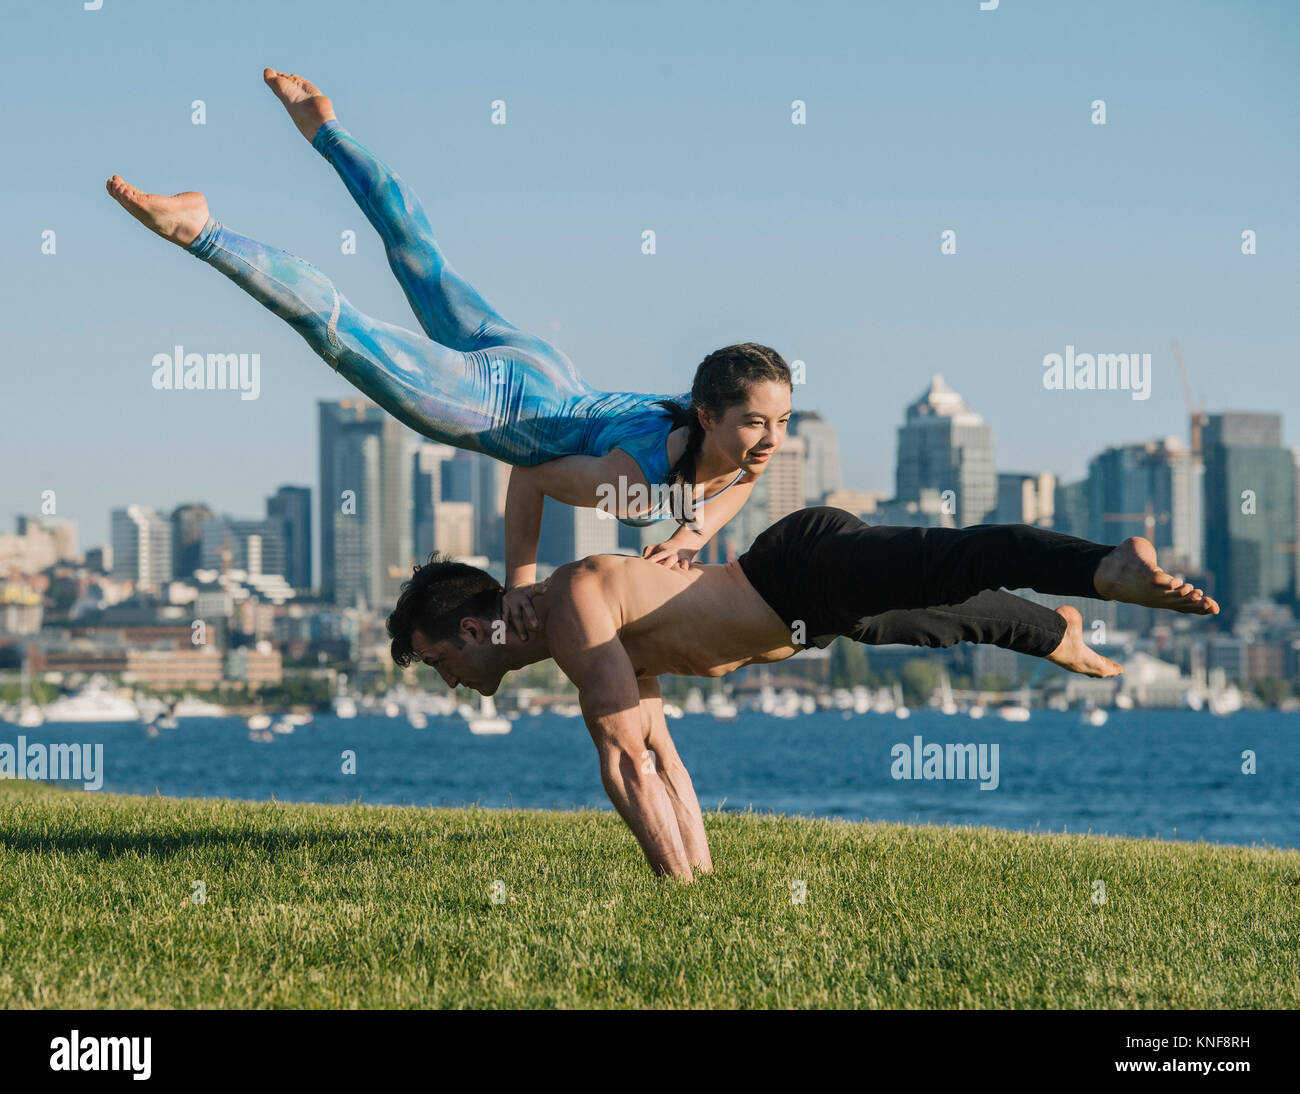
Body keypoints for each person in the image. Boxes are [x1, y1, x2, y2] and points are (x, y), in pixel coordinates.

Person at [105, 69, 788, 638]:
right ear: (706, 414)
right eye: (758, 423)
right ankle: (205, 231)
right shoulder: (635, 483)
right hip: (504, 409)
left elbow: (743, 482)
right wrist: (519, 583)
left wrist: (690, 536)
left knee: (420, 257)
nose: (771, 439)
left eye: (780, 422)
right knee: (343, 335)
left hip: (545, 368)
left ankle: (325, 125)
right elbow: (535, 477)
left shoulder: (731, 447)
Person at [385, 505, 1219, 882]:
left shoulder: (575, 607)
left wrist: (675, 894)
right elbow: (664, 759)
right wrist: (699, 884)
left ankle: (1106, 566)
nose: (448, 682)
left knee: (946, 560)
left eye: (435, 662)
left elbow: (629, 766)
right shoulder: (584, 629)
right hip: (805, 616)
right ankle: (1055, 628)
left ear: (467, 629)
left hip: (796, 569)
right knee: (931, 622)